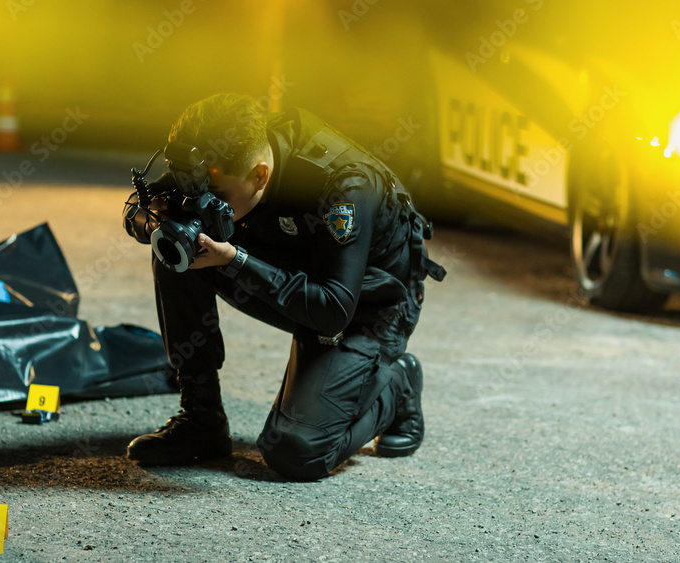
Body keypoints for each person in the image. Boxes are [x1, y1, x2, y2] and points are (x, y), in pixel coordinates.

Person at [122, 93, 445, 481]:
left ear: (261, 174)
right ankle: (201, 418)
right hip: (297, 275)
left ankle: (396, 387)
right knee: (176, 249)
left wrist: (235, 260)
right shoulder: (214, 157)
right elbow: (142, 211)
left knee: (295, 452)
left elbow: (331, 311)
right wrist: (154, 220)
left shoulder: (343, 186)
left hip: (364, 306)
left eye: (218, 198)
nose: (205, 202)